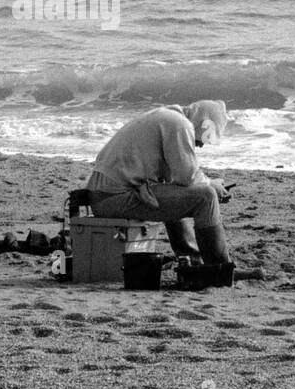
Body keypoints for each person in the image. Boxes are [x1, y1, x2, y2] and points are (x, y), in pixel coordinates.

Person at [84, 100, 232, 265]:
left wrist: (207, 183)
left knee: (179, 194)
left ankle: (191, 259)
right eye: (206, 136)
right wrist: (212, 185)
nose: (202, 144)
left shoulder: (166, 117)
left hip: (103, 196)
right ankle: (220, 268)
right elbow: (187, 176)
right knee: (206, 197)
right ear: (203, 123)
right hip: (112, 199)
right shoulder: (180, 125)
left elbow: (179, 182)